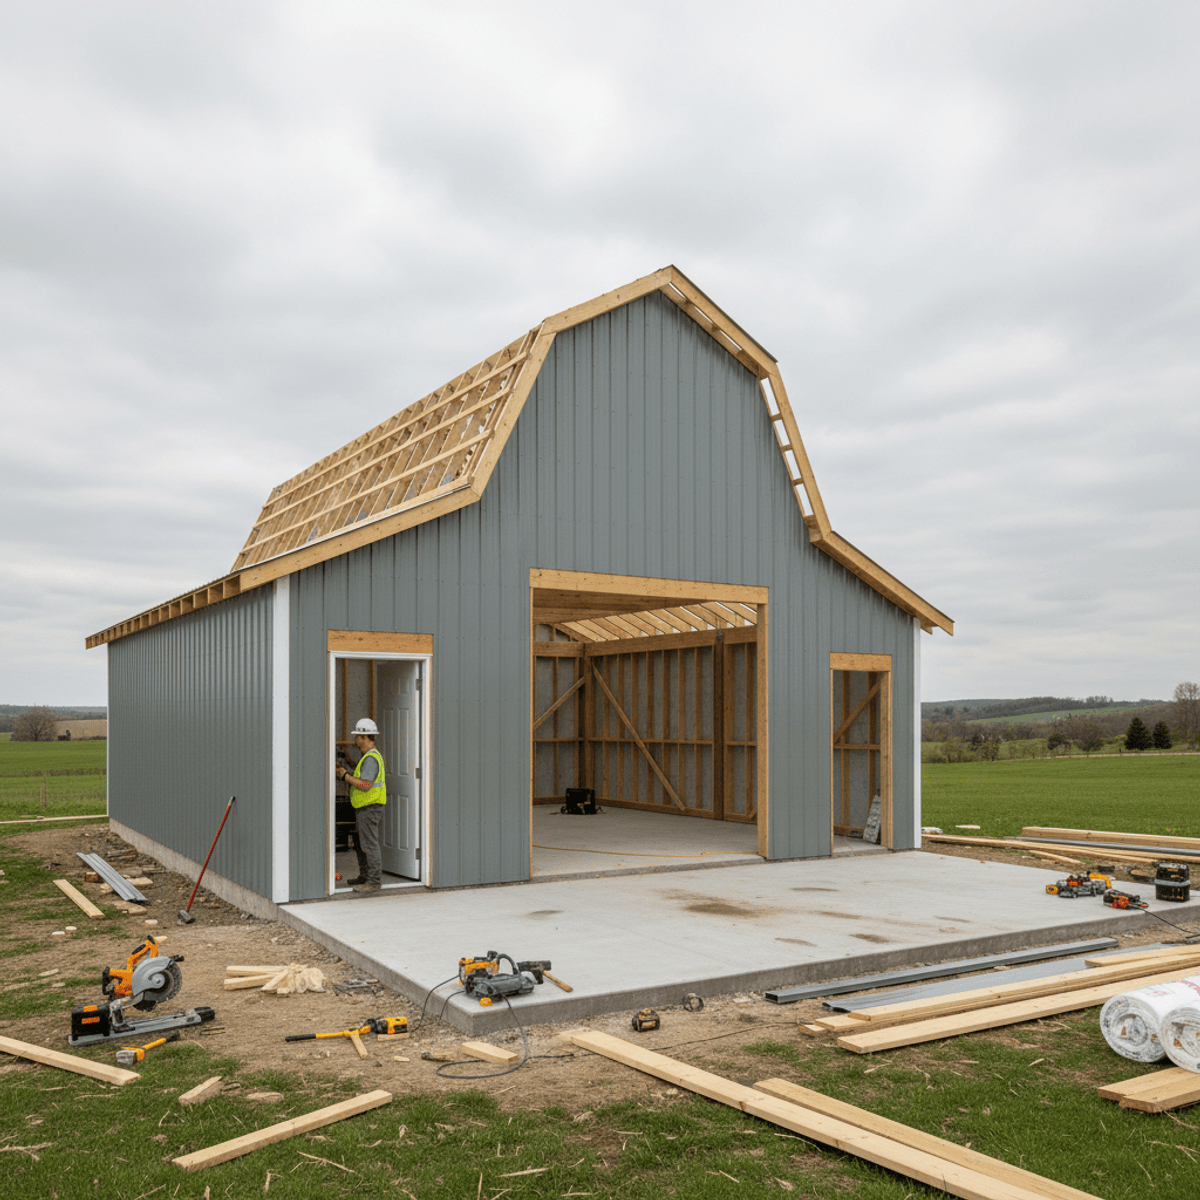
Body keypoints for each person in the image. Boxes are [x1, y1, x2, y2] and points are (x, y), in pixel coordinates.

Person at [336, 718, 387, 890]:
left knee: (369, 844)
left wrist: (345, 777)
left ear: (363, 737)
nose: (355, 739)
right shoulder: (368, 757)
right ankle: (365, 877)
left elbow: (365, 785)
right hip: (364, 807)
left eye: (357, 735)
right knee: (360, 843)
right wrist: (346, 772)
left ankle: (373, 882)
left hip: (370, 808)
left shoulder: (371, 759)